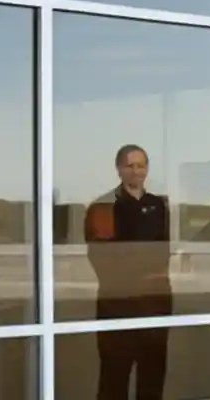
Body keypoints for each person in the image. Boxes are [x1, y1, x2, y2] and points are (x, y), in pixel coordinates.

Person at [84, 144, 172, 400]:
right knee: (114, 377)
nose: (136, 171)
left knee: (153, 377)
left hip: (155, 304)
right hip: (118, 304)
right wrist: (139, 267)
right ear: (119, 169)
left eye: (141, 165)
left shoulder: (158, 205)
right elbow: (102, 258)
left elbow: (163, 253)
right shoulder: (103, 207)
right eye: (130, 165)